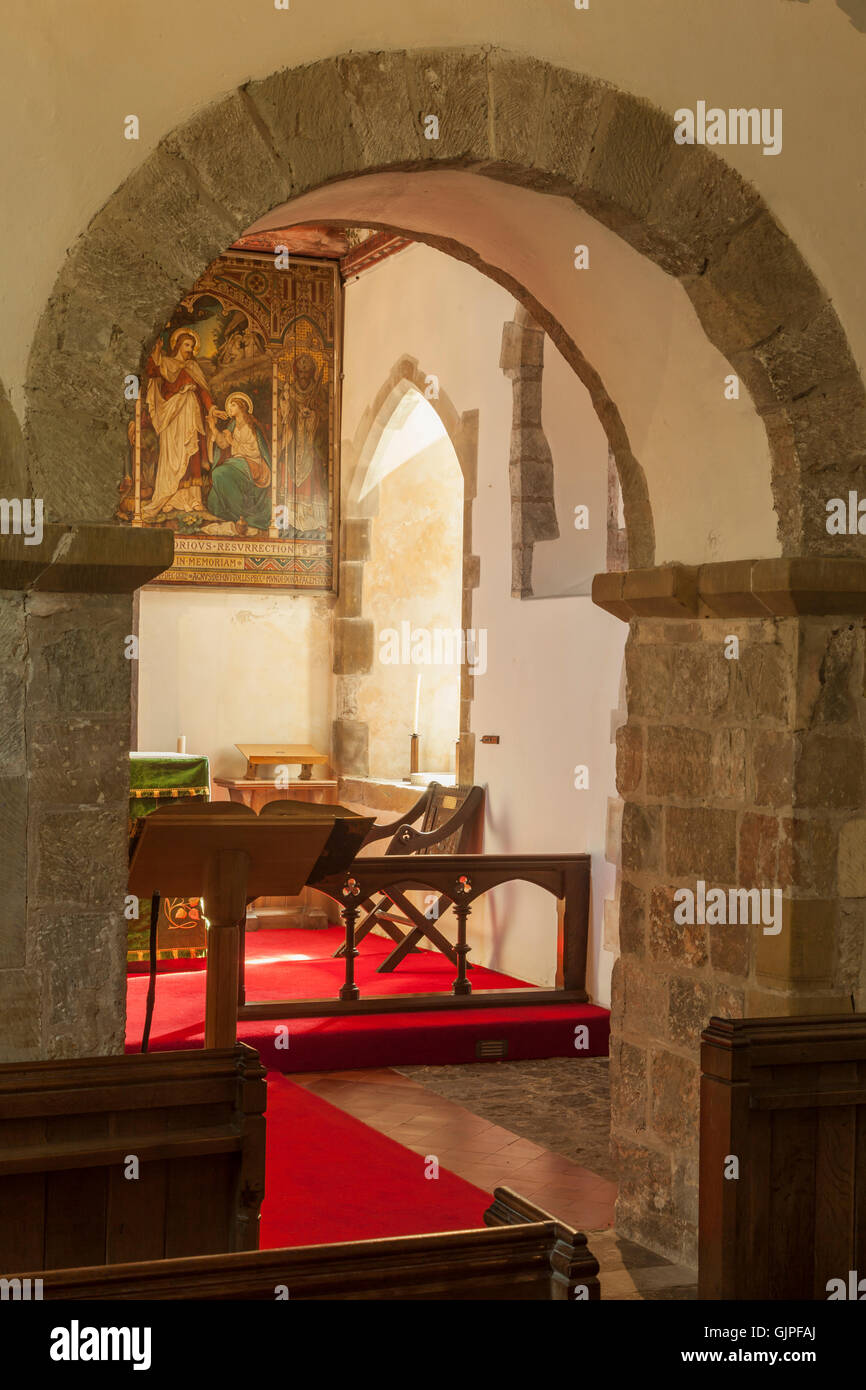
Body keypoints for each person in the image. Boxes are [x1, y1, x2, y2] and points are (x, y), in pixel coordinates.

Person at [142, 329, 218, 518]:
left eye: (192, 346)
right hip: (172, 415)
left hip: (191, 414)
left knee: (191, 452)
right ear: (177, 345)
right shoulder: (166, 362)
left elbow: (203, 392)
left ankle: (193, 499)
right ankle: (170, 499)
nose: (189, 349)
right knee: (172, 456)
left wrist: (211, 409)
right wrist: (157, 351)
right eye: (186, 345)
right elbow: (151, 371)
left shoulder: (193, 367)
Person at [206, 391, 272, 531]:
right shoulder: (233, 425)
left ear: (242, 407)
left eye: (233, 405)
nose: (229, 408)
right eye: (229, 406)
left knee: (219, 473)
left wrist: (233, 442)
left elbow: (255, 451)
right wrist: (213, 427)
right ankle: (234, 515)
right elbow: (223, 444)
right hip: (238, 464)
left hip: (254, 464)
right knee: (213, 501)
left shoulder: (251, 426)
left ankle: (243, 515)